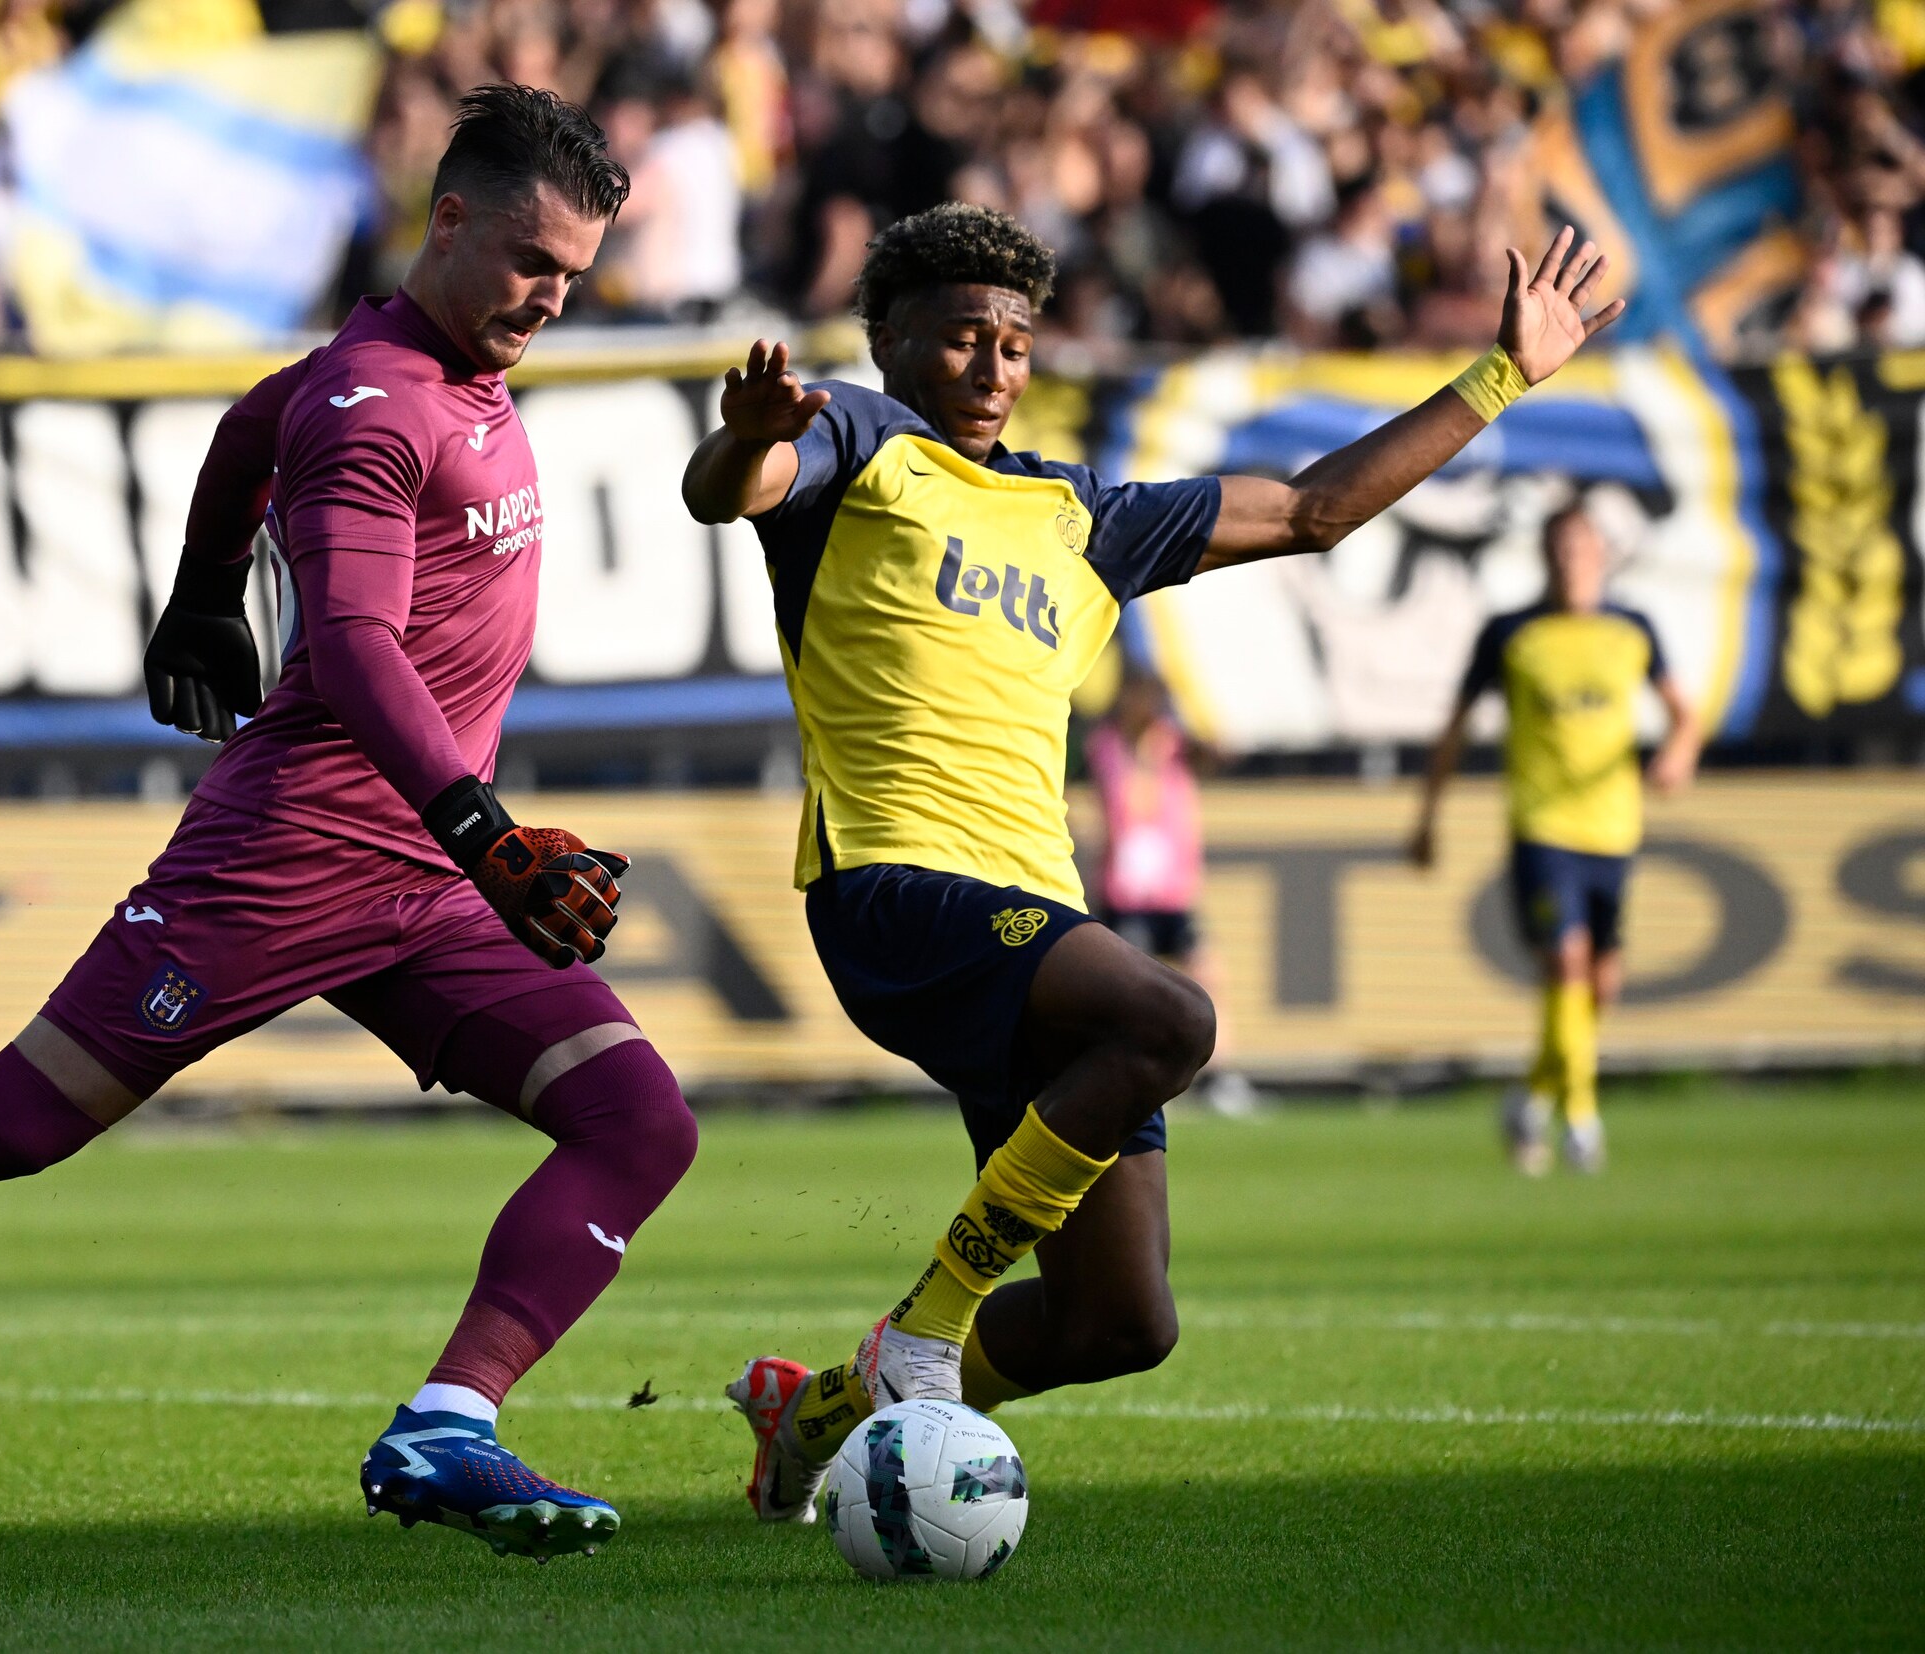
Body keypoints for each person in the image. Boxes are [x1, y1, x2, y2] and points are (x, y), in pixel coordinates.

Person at [0, 85, 696, 1565]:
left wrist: (206, 586)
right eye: (533, 261)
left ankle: (448, 1423)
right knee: (12, 1123)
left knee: (637, 1117)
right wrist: (487, 832)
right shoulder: (383, 405)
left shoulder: (392, 373)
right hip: (291, 855)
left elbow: (248, 421)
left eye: (575, 277)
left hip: (422, 873)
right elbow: (353, 645)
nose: (549, 297)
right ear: (452, 215)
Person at [681, 202, 1620, 1521]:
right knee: (1171, 1010)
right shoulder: (854, 435)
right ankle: (922, 1329)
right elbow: (727, 493)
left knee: (1119, 1321)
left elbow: (1310, 509)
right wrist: (744, 439)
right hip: (896, 887)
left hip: (1031, 916)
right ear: (890, 341)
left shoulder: (1083, 515)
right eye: (960, 339)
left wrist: (1502, 373)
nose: (995, 368)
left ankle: (820, 1409)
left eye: (1014, 342)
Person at [1408, 504, 1699, 1175]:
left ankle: (1531, 1097)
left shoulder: (1633, 629)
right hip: (1542, 827)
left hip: (1615, 828)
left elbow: (1685, 713)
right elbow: (1453, 729)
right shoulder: (1511, 632)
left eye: (1581, 546)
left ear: (1601, 553)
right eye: (1560, 547)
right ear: (1544, 554)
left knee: (1600, 987)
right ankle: (1581, 1121)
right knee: (1565, 964)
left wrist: (1680, 753)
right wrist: (1427, 819)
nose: (1571, 559)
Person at [1086, 666, 1250, 1115]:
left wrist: (1187, 724)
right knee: (1132, 993)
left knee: (1210, 978)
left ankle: (1222, 1078)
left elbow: (1214, 755)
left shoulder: (1173, 744)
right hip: (1128, 896)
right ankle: (1141, 1080)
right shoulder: (1107, 747)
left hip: (1173, 894)